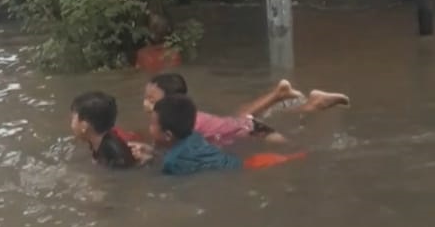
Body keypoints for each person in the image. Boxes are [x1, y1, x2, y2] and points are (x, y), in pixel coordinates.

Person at [143, 72, 349, 147]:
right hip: (246, 127)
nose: (146, 104)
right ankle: (293, 99)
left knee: (297, 147)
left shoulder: (178, 124)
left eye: (151, 99)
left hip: (248, 130)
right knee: (241, 117)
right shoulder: (186, 116)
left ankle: (314, 106)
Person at [151, 95, 242, 176]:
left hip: (229, 174)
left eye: (152, 123)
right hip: (234, 163)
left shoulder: (172, 163)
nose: (150, 127)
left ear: (168, 135)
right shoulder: (194, 136)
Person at [70, 91, 138, 169]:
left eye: (72, 118)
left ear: (84, 126)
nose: (71, 124)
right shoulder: (99, 140)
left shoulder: (111, 152)